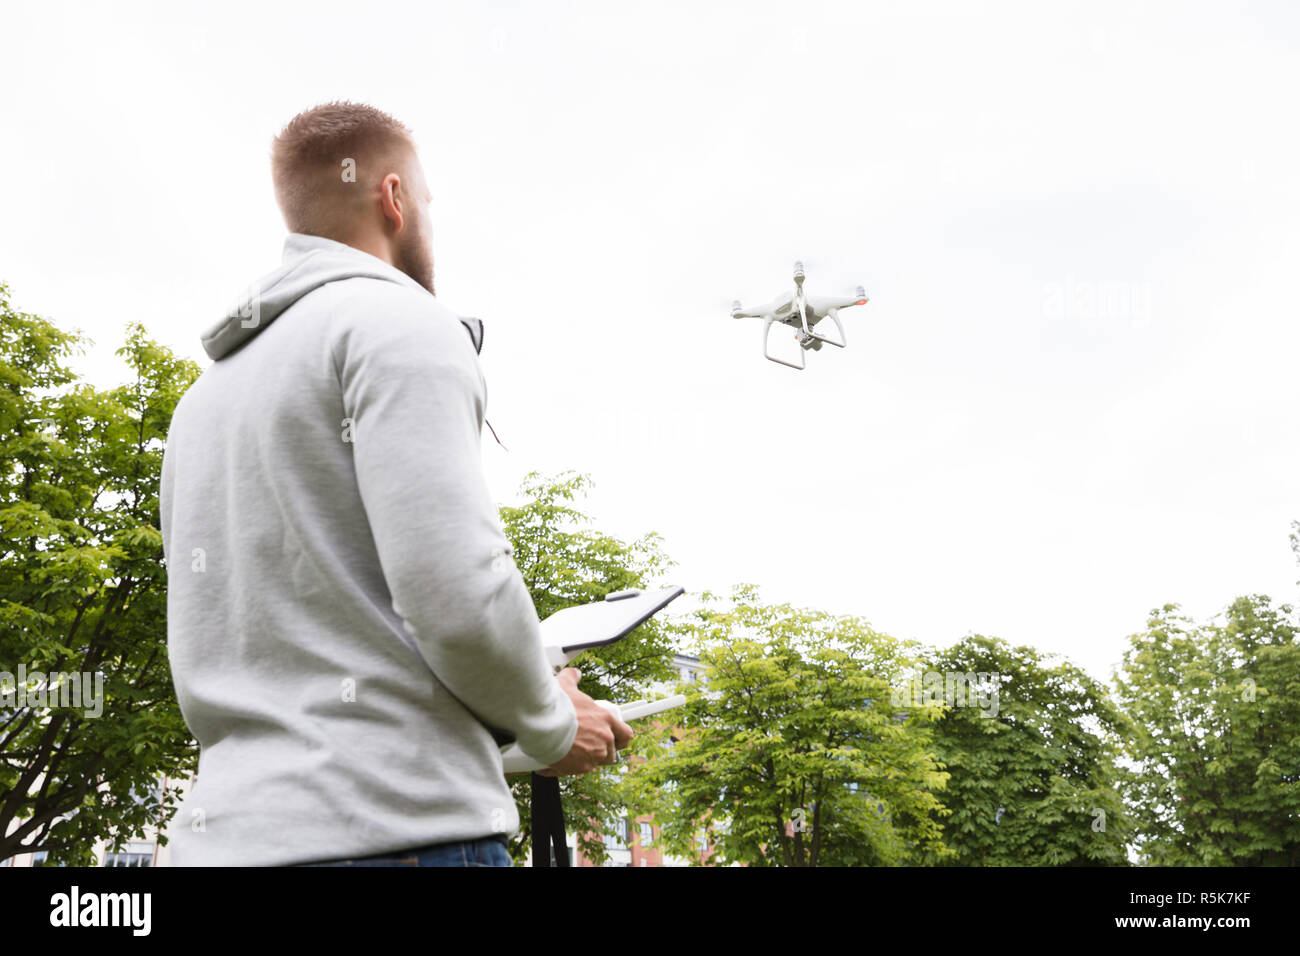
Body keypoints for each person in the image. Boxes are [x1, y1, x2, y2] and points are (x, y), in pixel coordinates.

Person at [159, 101, 632, 867]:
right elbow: (455, 589)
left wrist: (517, 728)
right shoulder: (399, 323)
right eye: (428, 207)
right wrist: (550, 721)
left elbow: (302, 656)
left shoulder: (201, 401)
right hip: (399, 844)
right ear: (394, 199)